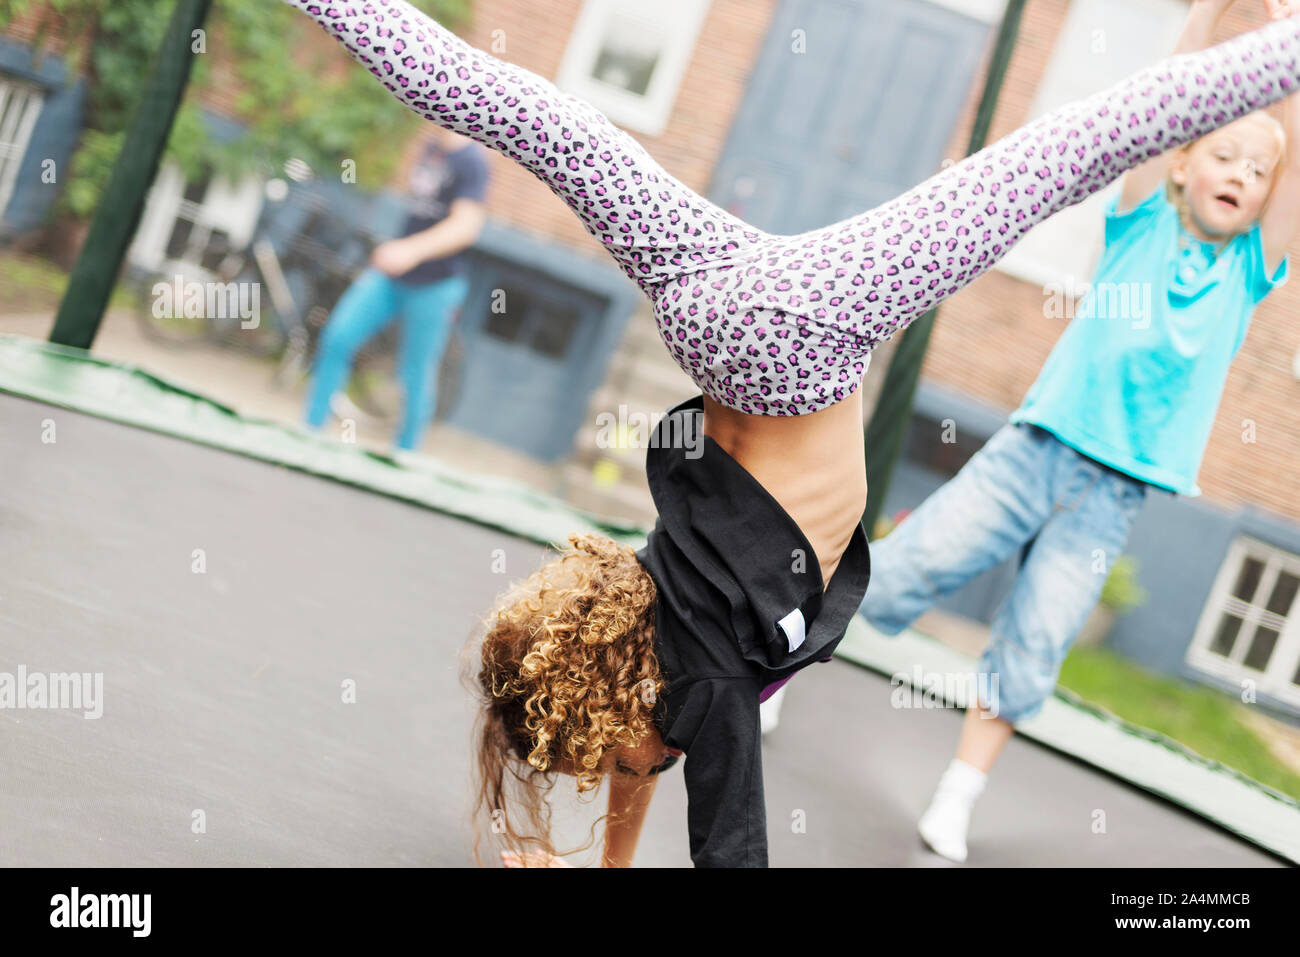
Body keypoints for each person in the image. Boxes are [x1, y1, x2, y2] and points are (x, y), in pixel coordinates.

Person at [280, 0, 1300, 866]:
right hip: (703, 292)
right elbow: (633, 756)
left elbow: (730, 845)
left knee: (1074, 149)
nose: (620, 778)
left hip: (798, 333)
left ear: (628, 711)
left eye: (609, 762)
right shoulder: (640, 626)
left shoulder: (709, 692)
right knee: (515, 109)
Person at [846, 0, 1299, 865]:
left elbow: (1295, 167)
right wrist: (1207, 14)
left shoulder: (1250, 272)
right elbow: (1163, 98)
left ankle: (958, 794)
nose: (1241, 172)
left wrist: (1290, 56)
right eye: (1223, 154)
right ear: (1181, 166)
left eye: (1258, 169)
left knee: (1037, 641)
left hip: (1112, 497)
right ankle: (778, 677)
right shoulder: (1142, 223)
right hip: (1034, 451)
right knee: (907, 565)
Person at [302, 123, 488, 451]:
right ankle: (311, 429)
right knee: (339, 336)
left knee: (415, 370)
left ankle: (404, 454)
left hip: (436, 285)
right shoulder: (431, 148)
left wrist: (411, 250)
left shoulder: (472, 162)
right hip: (391, 278)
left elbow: (466, 227)